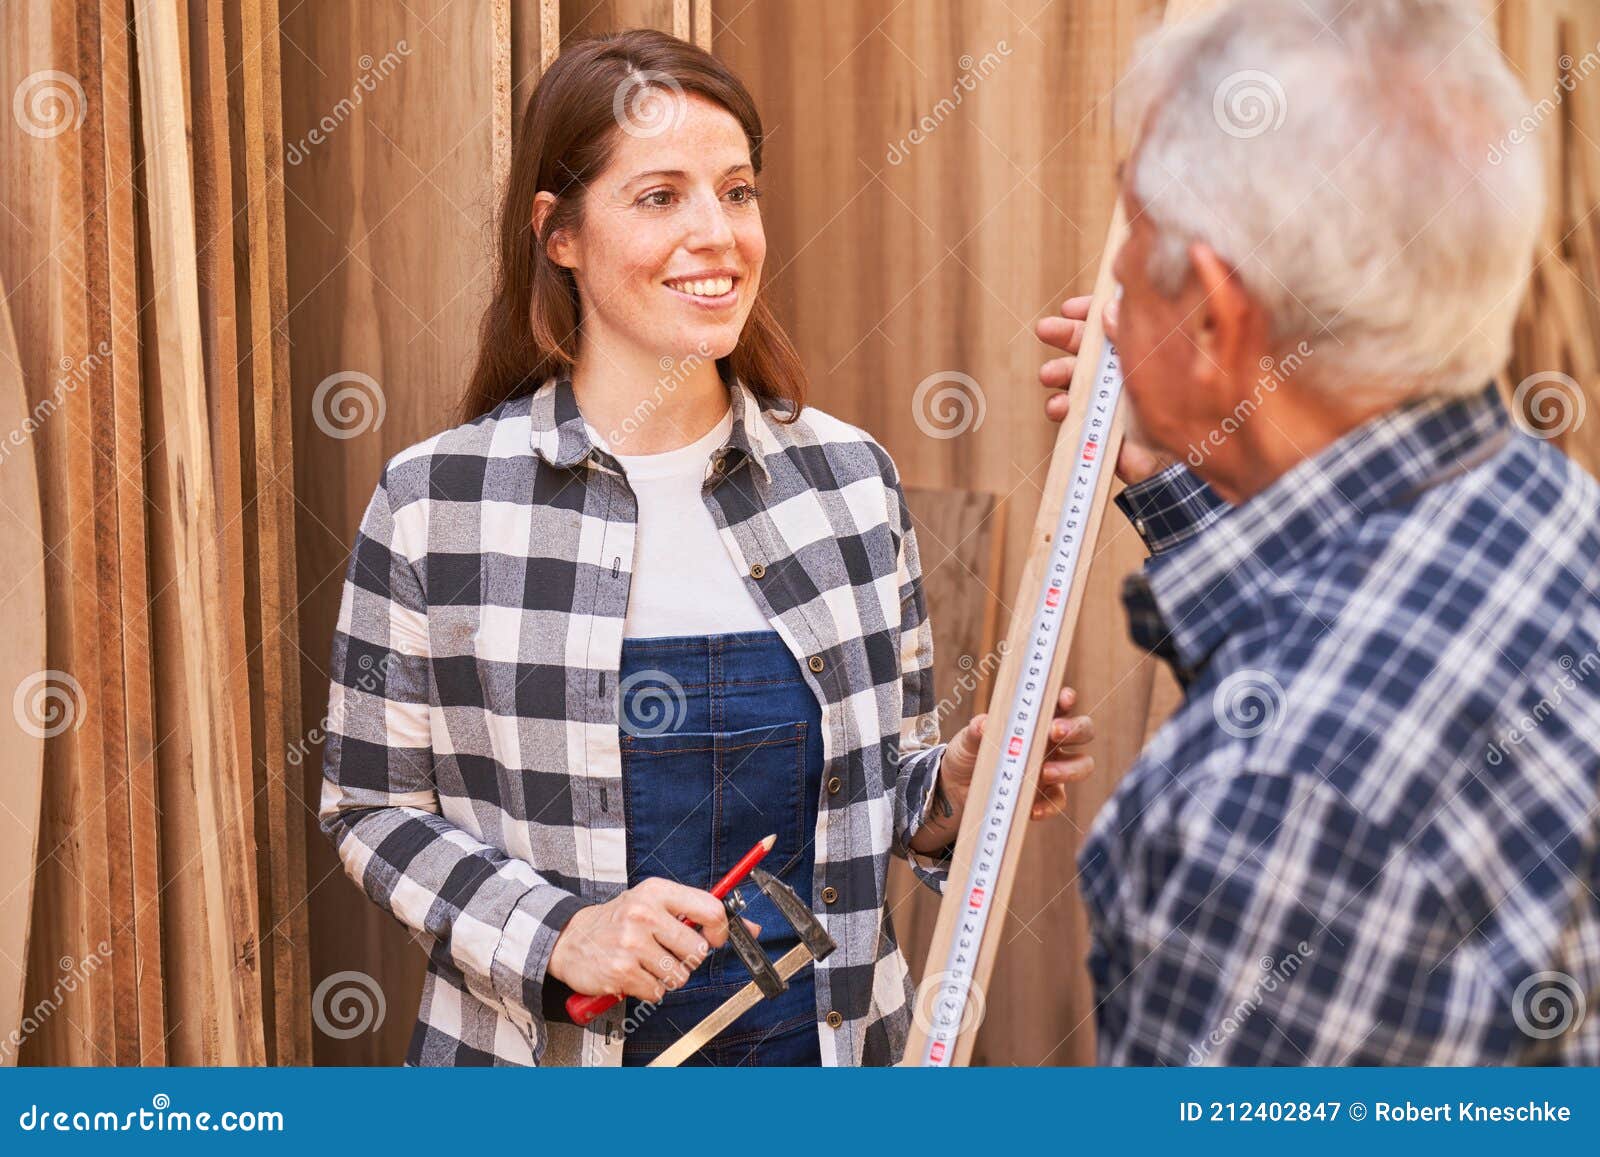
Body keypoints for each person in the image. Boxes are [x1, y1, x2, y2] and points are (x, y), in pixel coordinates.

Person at [317, 29, 1091, 1068]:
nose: (716, 233)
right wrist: (564, 933)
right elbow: (371, 807)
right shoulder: (435, 504)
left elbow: (878, 796)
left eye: (736, 191)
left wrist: (953, 784)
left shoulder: (850, 483)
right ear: (559, 234)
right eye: (659, 197)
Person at [1038, 0, 1600, 1064]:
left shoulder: (1280, 804)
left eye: (1130, 248)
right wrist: (1198, 456)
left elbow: (1323, 723)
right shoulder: (1544, 509)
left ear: (1212, 313)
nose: (1110, 294)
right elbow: (1346, 630)